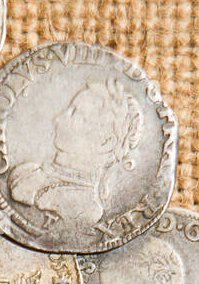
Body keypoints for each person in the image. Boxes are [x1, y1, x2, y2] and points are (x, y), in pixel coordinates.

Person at [9, 76, 143, 232]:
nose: (58, 119)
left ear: (105, 141)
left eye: (75, 114)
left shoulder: (85, 209)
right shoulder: (25, 172)